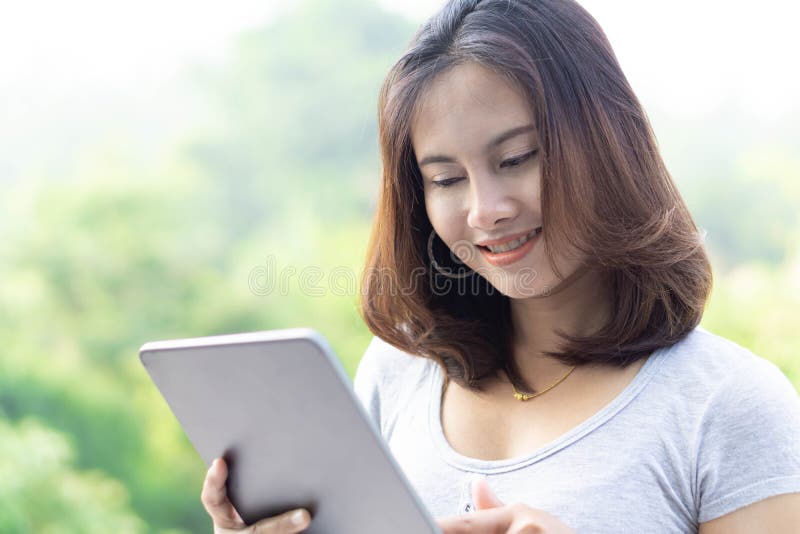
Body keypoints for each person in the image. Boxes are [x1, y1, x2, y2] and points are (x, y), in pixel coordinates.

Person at [201, 0, 800, 532]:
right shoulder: (400, 375)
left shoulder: (730, 406)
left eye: (515, 158)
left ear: (607, 141)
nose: (486, 210)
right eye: (446, 179)